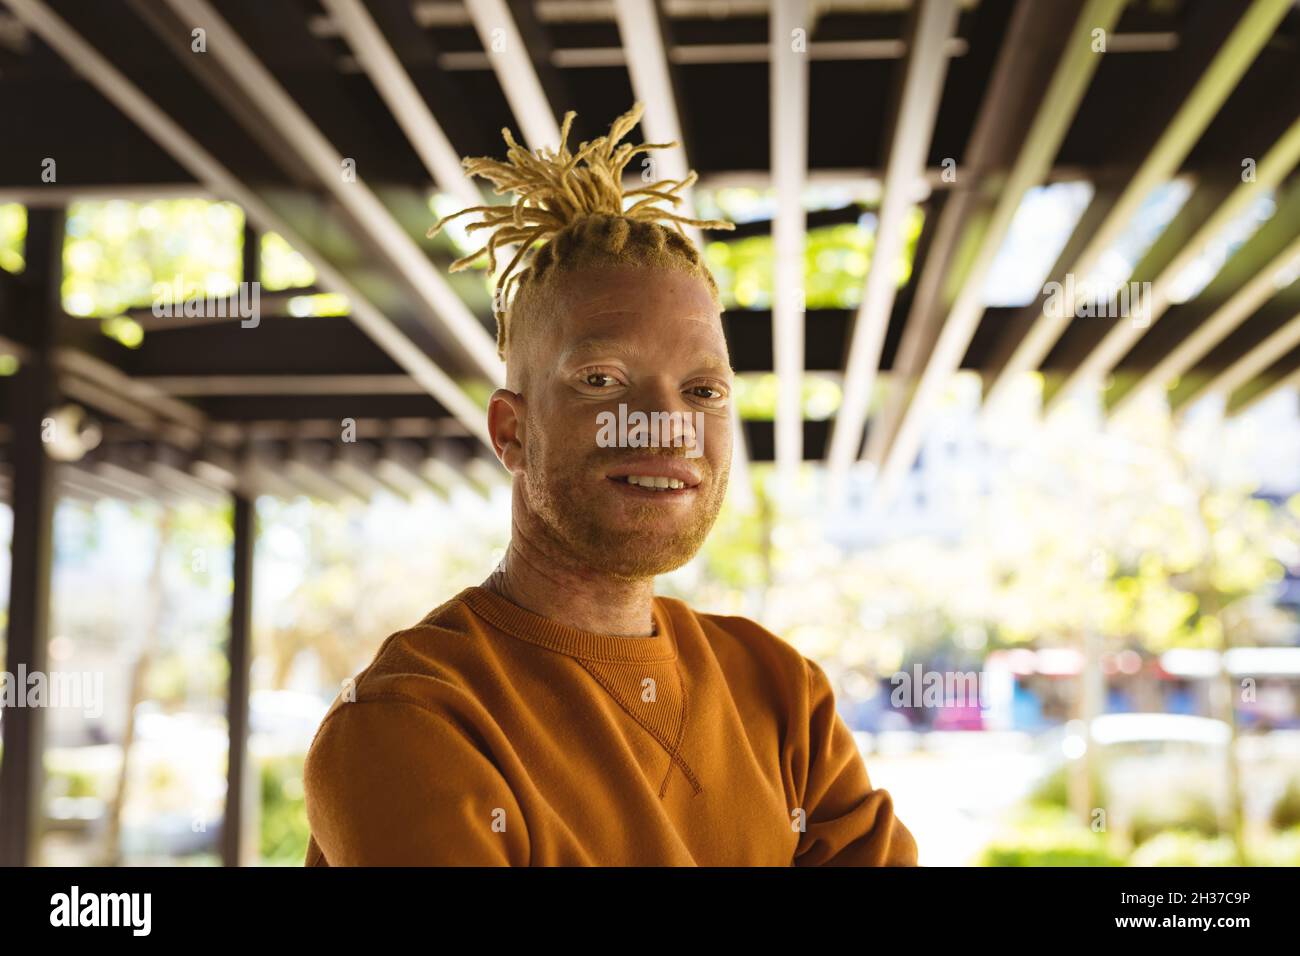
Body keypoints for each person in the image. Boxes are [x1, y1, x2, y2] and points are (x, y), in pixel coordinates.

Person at [302, 103, 918, 866]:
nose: (664, 422)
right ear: (510, 433)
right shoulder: (412, 720)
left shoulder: (783, 694)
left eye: (703, 391)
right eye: (603, 379)